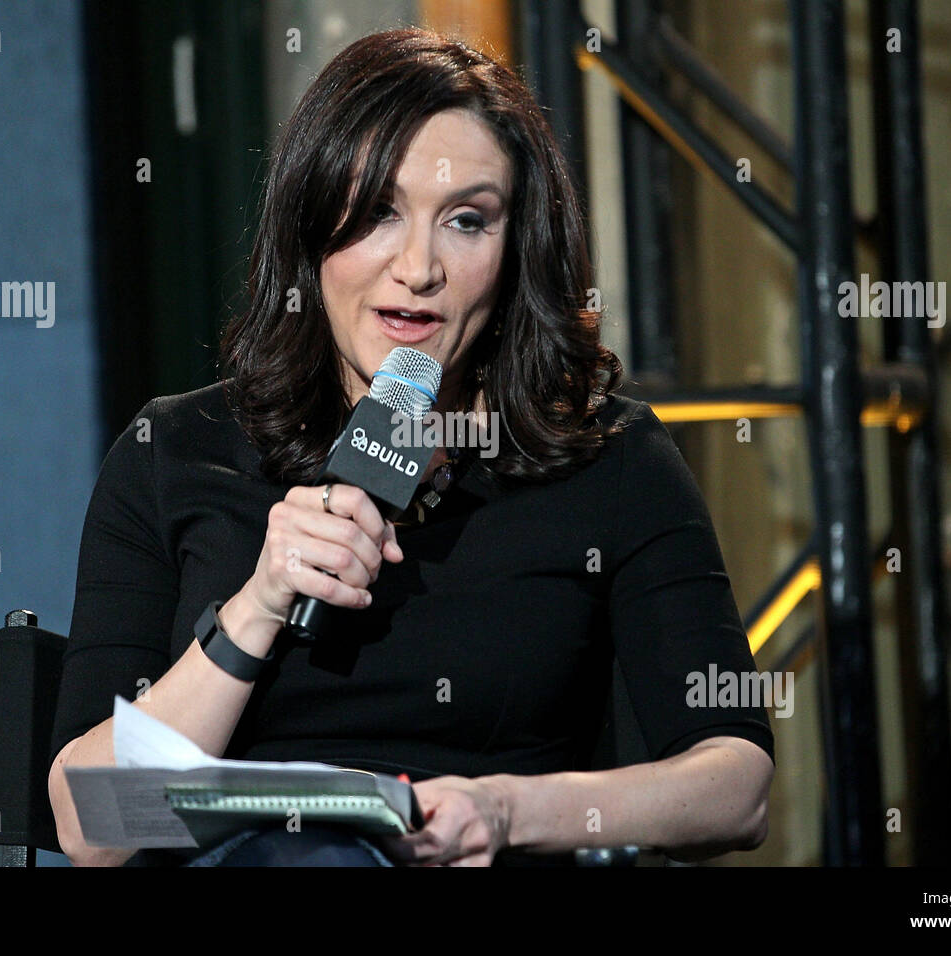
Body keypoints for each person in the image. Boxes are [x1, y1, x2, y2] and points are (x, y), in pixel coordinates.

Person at [47, 26, 774, 868]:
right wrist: (257, 606)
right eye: (381, 213)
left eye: (467, 220)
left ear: (516, 251)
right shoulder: (176, 453)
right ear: (312, 226)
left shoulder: (609, 458)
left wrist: (507, 810)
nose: (418, 267)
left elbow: (738, 785)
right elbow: (89, 827)